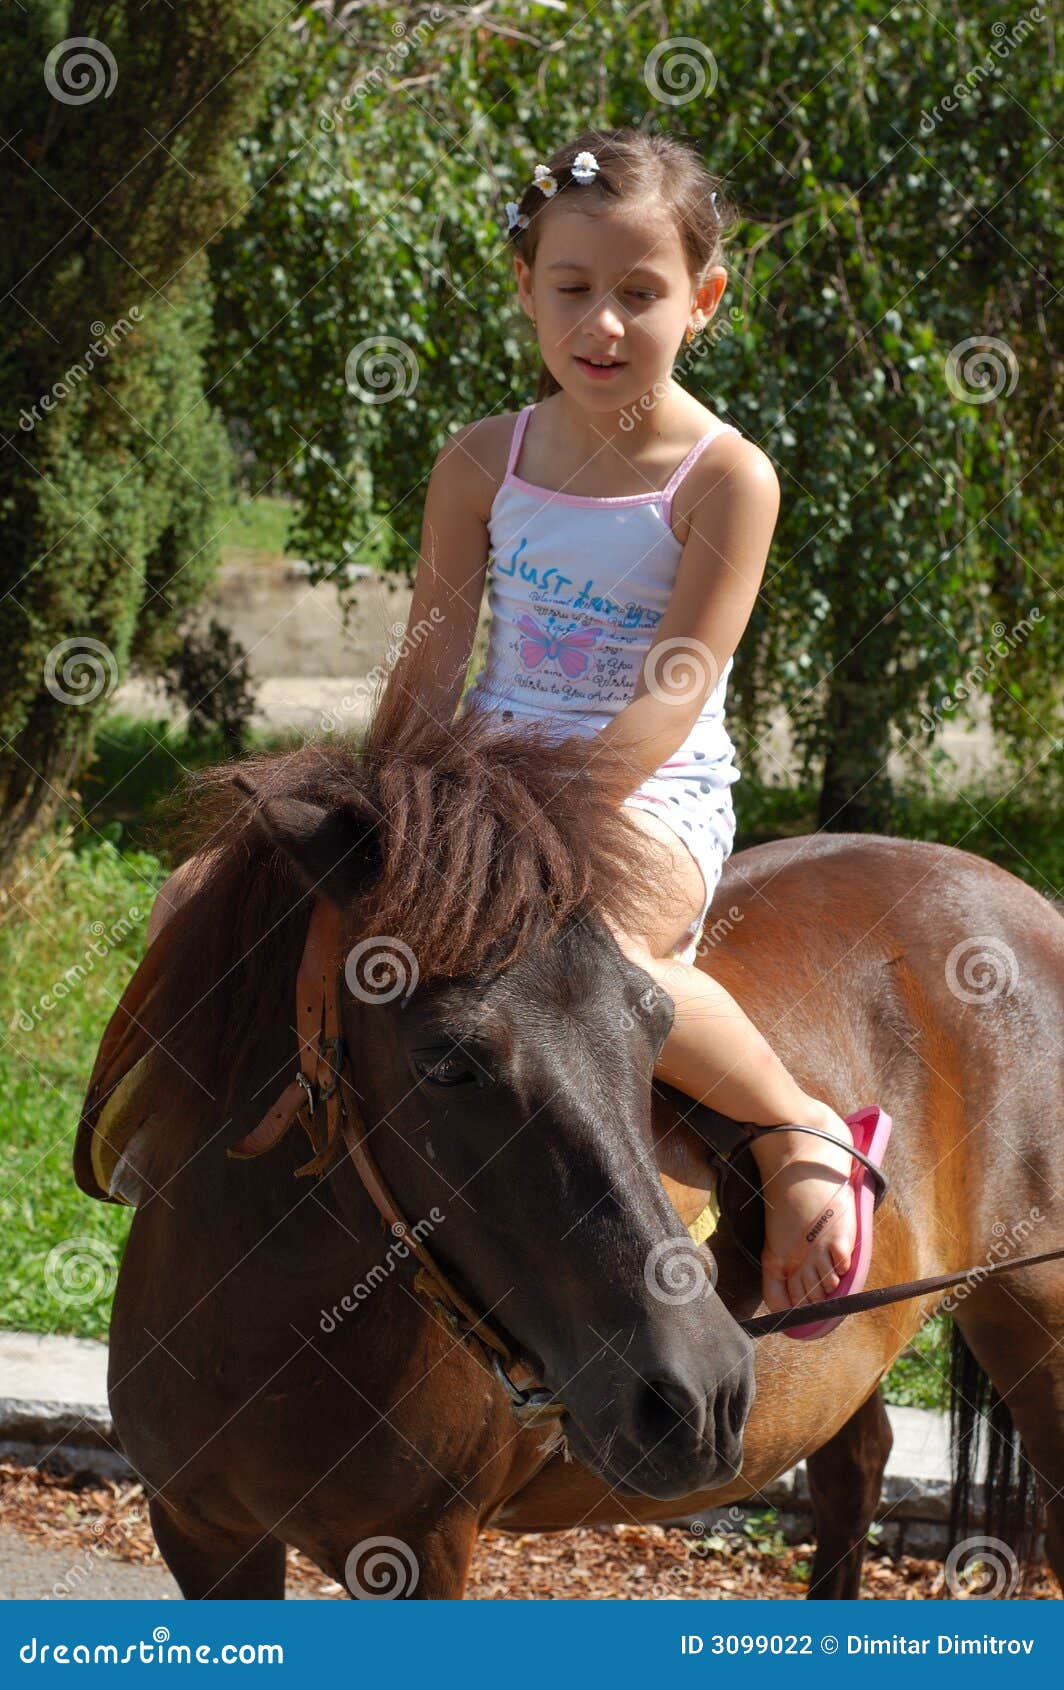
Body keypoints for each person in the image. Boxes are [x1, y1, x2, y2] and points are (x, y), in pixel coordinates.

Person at [147, 126, 882, 1323]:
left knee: (583, 951)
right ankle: (187, 1153)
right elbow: (431, 662)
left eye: (639, 294)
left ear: (701, 299)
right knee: (208, 888)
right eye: (572, 288)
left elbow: (675, 684)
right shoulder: (483, 460)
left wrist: (549, 818)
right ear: (524, 291)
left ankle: (797, 1126)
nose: (601, 325)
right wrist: (372, 798)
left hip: (639, 788)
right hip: (475, 775)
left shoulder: (722, 477)